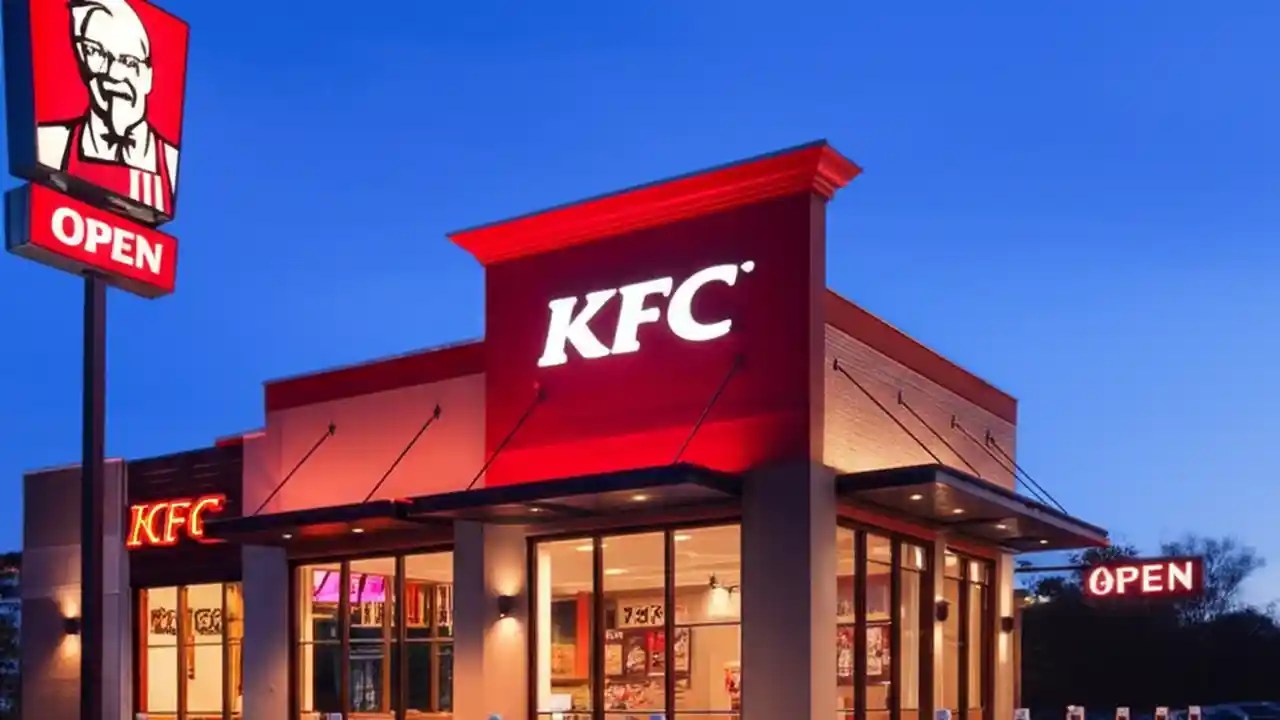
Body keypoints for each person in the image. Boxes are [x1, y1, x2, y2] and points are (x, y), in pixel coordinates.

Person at [37, 0, 179, 214]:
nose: (113, 73)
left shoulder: (170, 162)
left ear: (148, 75)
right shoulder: (50, 146)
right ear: (82, 59)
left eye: (129, 62)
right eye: (98, 53)